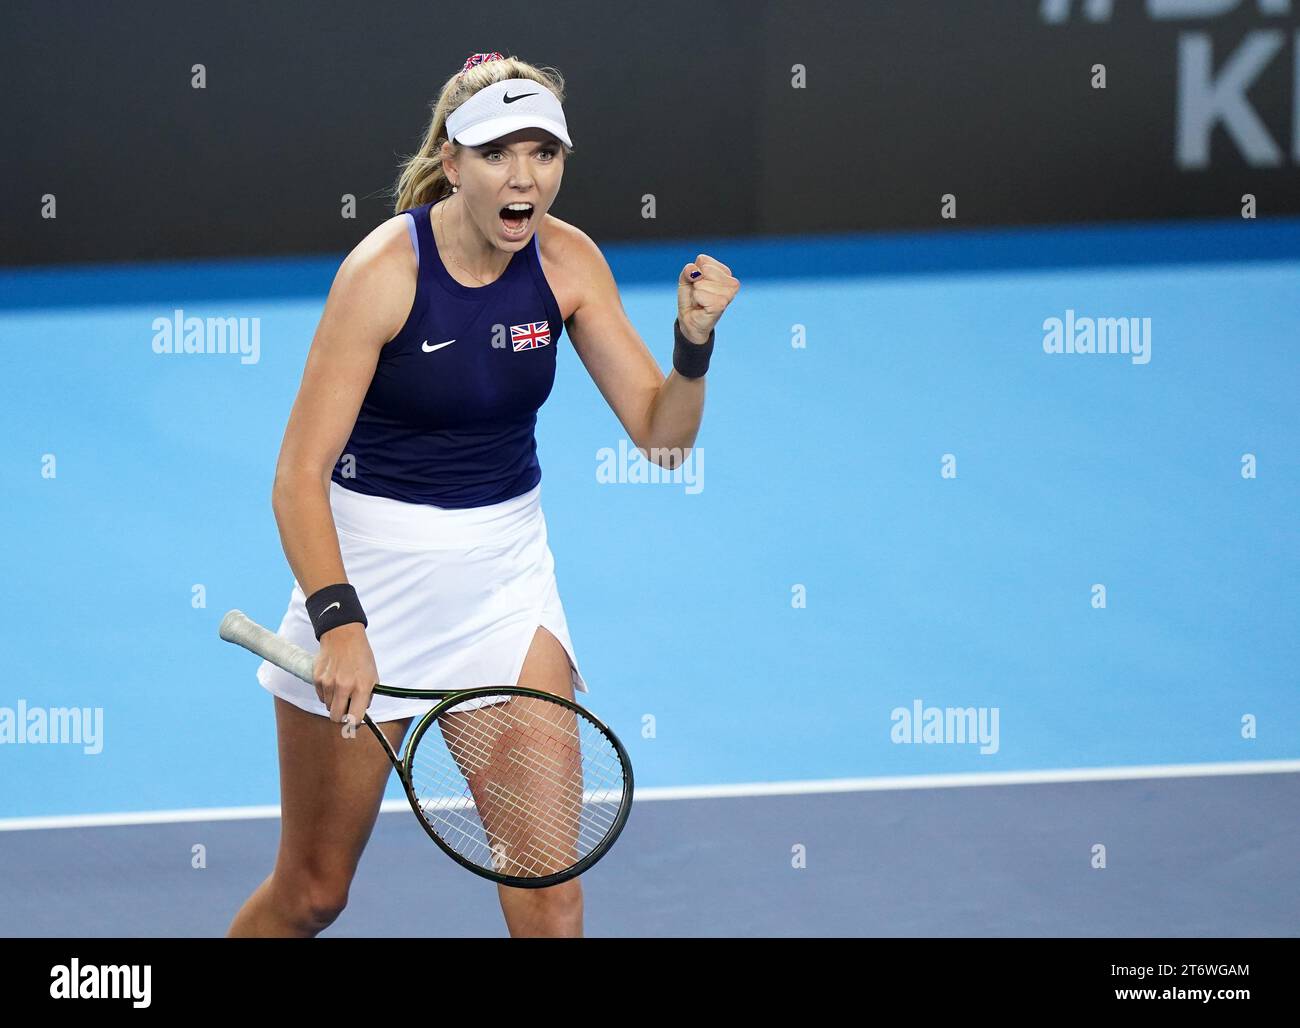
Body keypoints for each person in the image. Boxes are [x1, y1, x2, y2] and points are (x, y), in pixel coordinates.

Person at [226, 51, 739, 939]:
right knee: (312, 894)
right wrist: (341, 622)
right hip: (365, 581)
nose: (525, 177)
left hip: (505, 587)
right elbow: (296, 477)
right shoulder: (384, 272)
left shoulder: (569, 262)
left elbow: (663, 442)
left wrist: (691, 344)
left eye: (544, 153)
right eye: (501, 153)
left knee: (551, 893)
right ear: (453, 162)